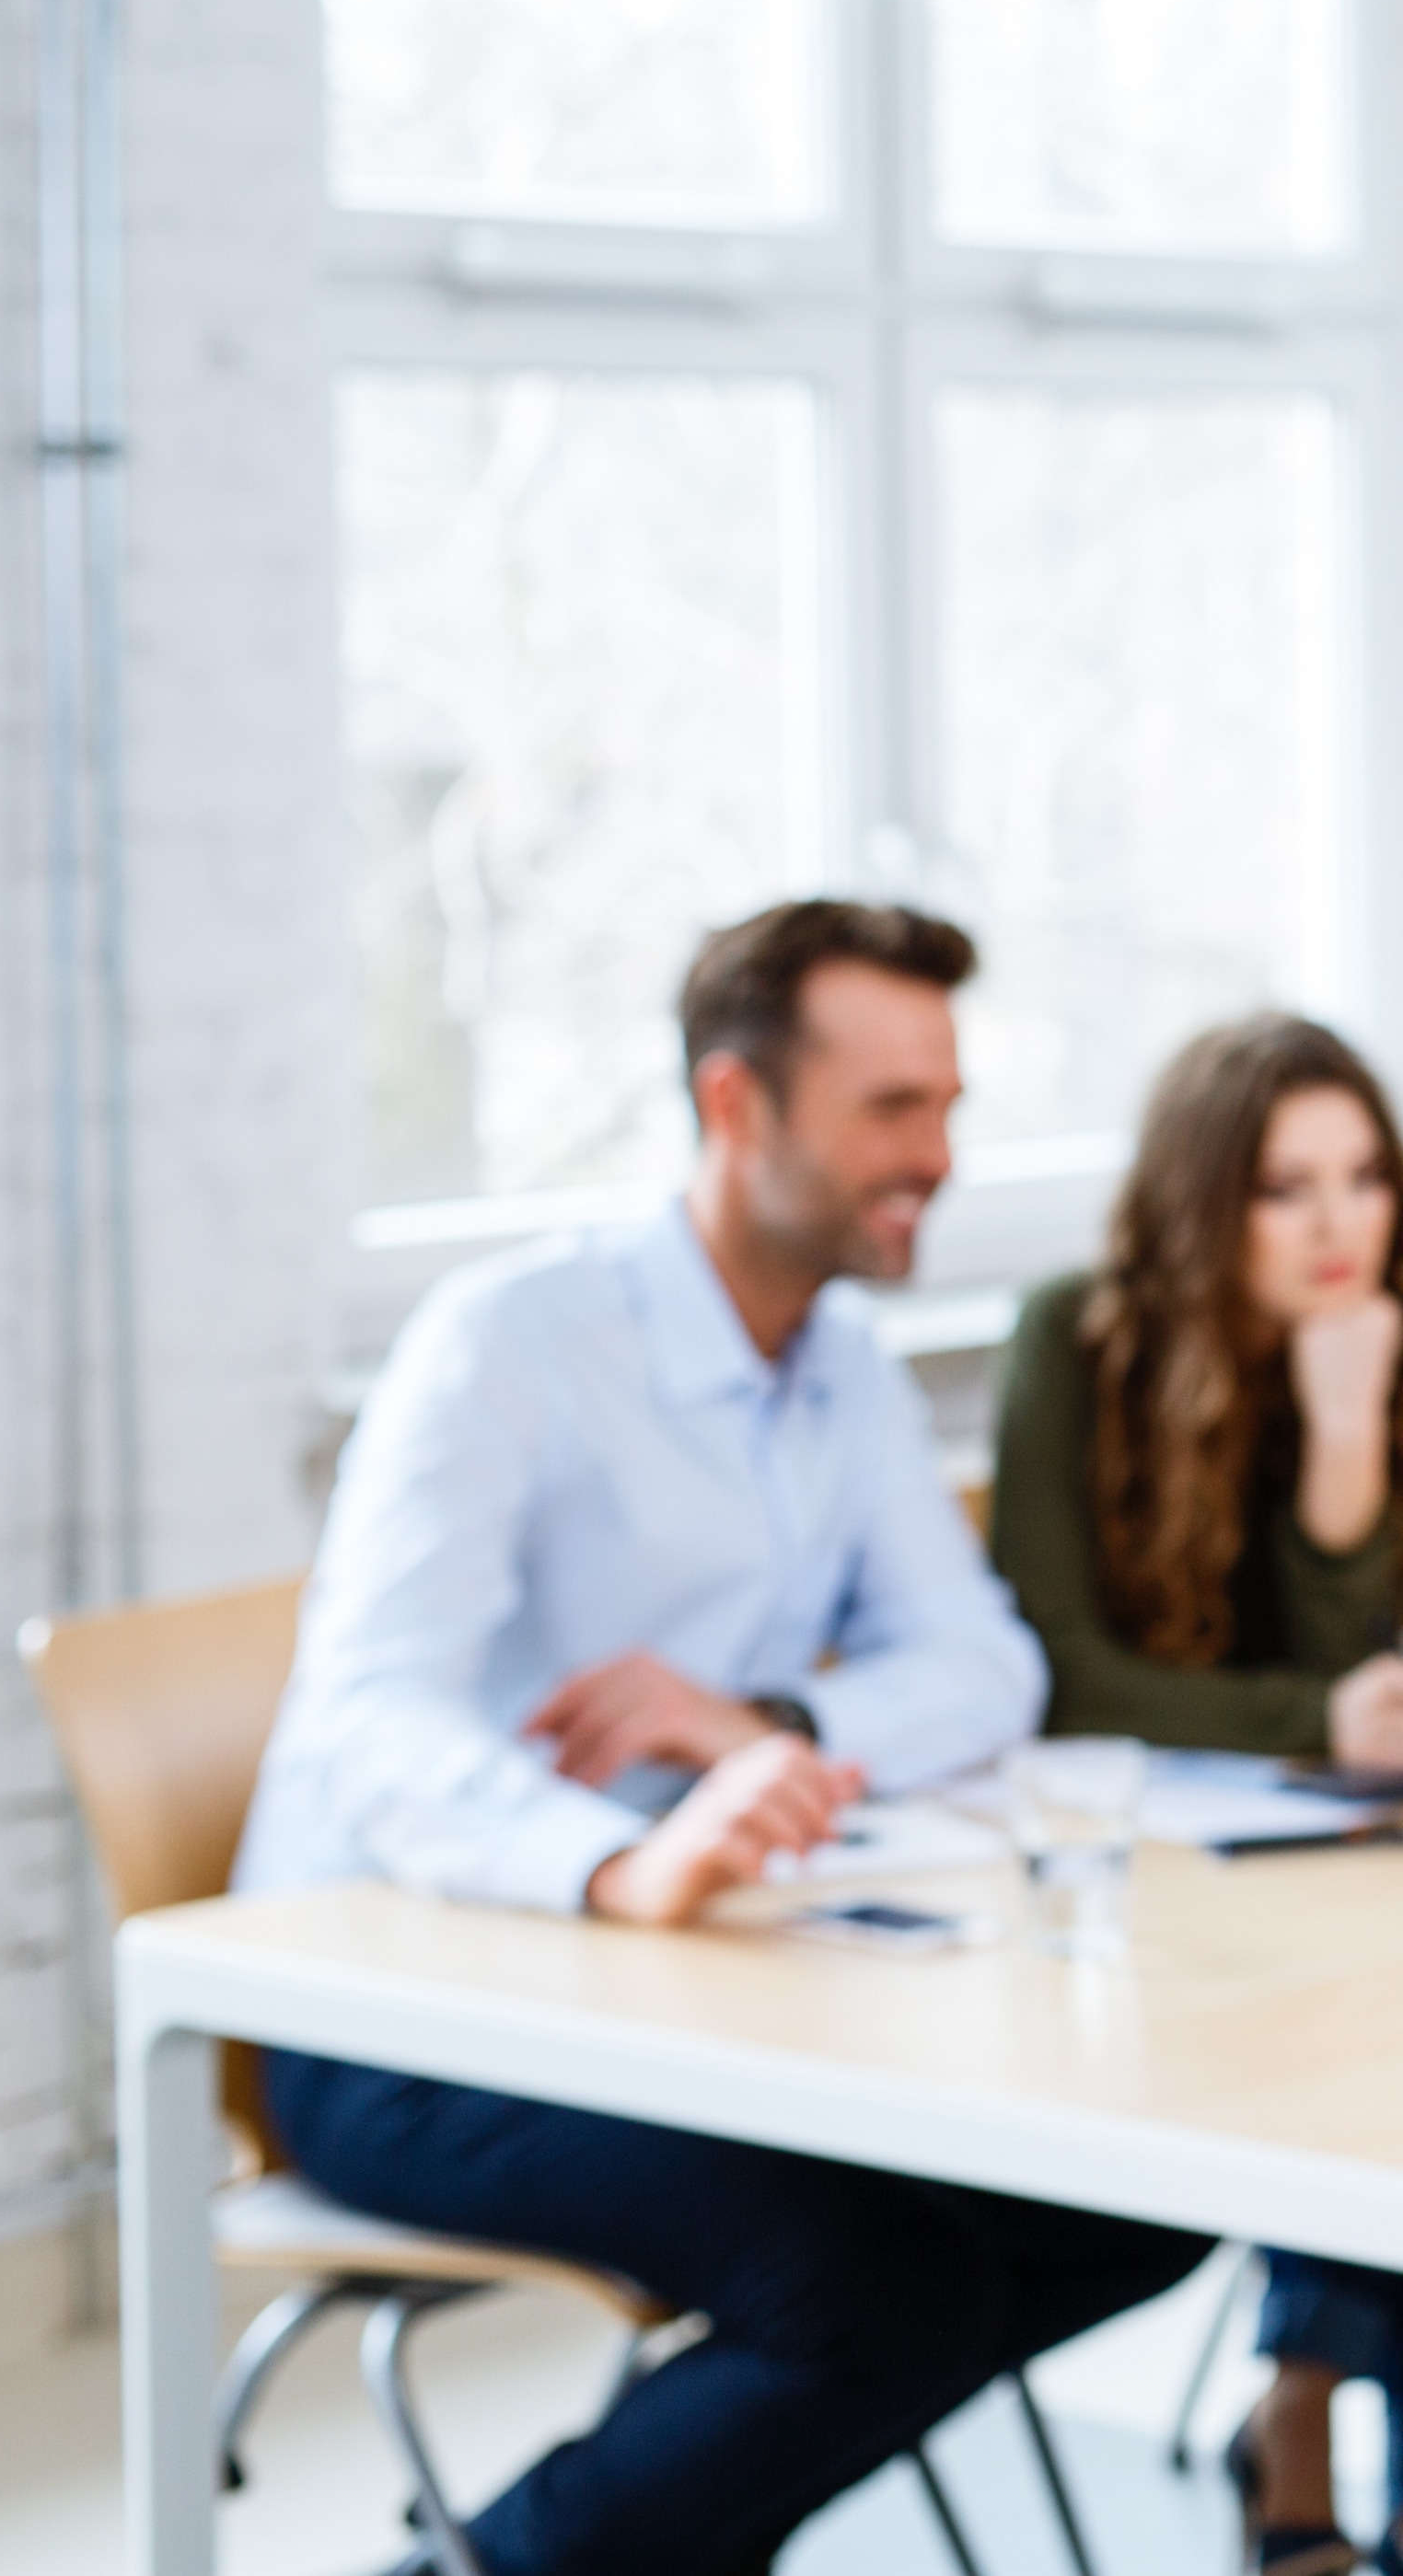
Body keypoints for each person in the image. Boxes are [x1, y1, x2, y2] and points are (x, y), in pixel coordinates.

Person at [234, 901, 1216, 2574]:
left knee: (1145, 2195)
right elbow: (367, 1714)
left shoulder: (841, 1367)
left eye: (952, 1103)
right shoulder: (511, 1345)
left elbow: (982, 1663)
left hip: (691, 1999)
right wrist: (618, 1857)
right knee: (869, 2288)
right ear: (736, 1106)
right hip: (395, 2011)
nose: (939, 1153)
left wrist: (763, 1724)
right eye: (893, 1109)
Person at [980, 1012, 1403, 2576]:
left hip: (1301, 1871)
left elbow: (1345, 1665)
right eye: (1289, 1187)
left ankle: (1317, 2421)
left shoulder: (1367, 1339)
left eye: (1366, 1179)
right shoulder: (1070, 1334)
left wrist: (1347, 1431)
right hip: (1119, 1885)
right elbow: (1060, 1672)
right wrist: (1315, 1710)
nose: (1343, 1222)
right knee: (1363, 2029)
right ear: (1207, 1198)